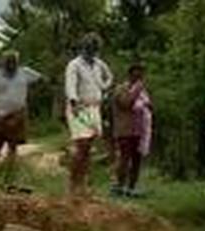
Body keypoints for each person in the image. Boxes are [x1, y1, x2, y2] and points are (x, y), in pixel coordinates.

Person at [64, 34, 114, 197]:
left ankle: (84, 183)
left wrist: (104, 88)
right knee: (82, 144)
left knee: (88, 148)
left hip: (95, 108)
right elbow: (70, 85)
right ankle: (73, 183)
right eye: (89, 48)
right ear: (83, 48)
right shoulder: (74, 64)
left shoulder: (99, 64)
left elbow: (110, 77)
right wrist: (73, 101)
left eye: (95, 49)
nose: (92, 52)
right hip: (79, 107)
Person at [0, 50, 43, 178]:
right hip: (0, 113)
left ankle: (9, 173)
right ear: (3, 63)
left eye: (13, 62)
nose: (11, 65)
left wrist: (30, 94)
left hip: (18, 113)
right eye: (8, 62)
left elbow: (41, 80)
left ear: (17, 63)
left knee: (13, 145)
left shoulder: (25, 72)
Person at [111, 64, 153, 197]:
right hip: (125, 130)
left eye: (141, 75)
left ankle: (131, 187)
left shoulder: (143, 92)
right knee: (124, 158)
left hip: (139, 130)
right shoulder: (120, 89)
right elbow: (126, 103)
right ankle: (119, 186)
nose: (139, 78)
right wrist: (136, 90)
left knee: (137, 159)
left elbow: (149, 107)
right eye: (136, 75)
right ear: (130, 75)